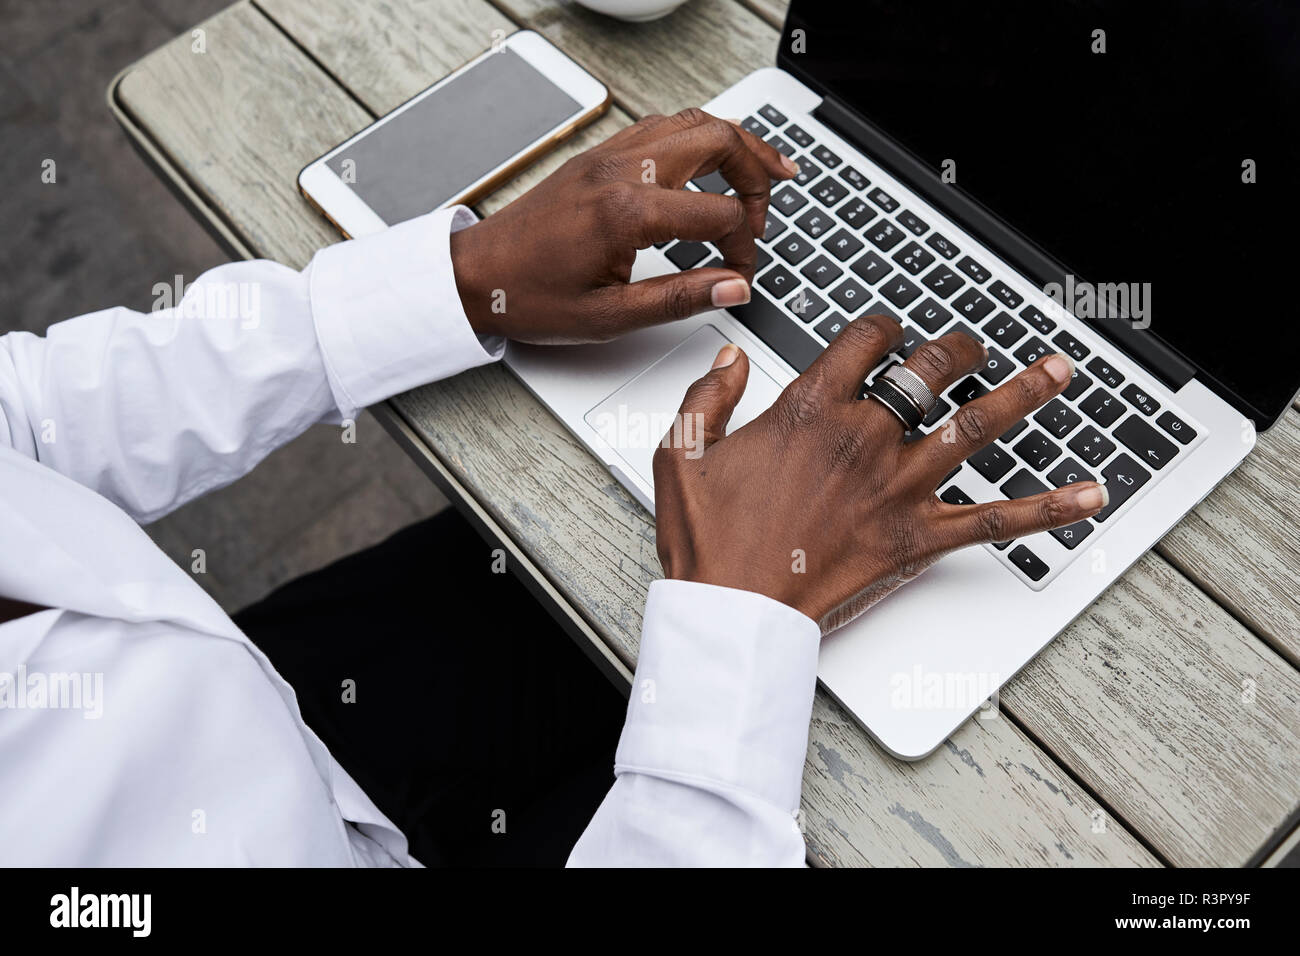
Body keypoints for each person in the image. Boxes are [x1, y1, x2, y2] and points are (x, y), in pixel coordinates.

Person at [0, 110, 1104, 866]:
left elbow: (29, 414)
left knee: (505, 579)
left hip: (243, 705)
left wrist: (460, 281)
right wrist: (748, 616)